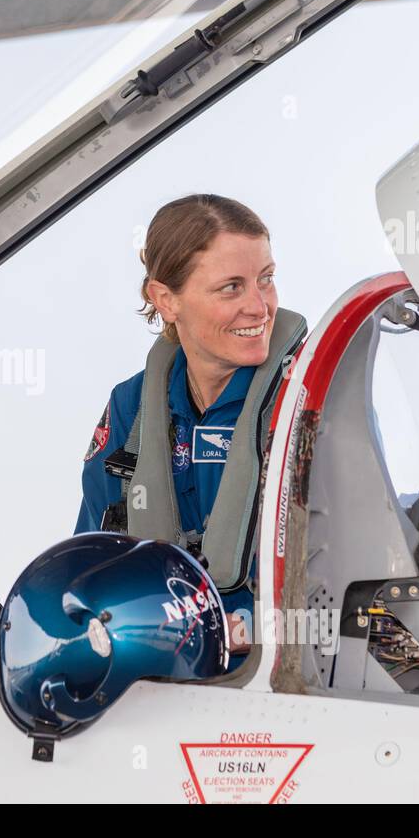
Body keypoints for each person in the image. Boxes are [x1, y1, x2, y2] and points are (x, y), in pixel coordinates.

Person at [74, 193, 304, 660]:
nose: (260, 307)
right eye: (231, 288)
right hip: (159, 675)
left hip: (276, 677)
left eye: (266, 280)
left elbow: (353, 579)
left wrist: (253, 628)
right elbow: (86, 566)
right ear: (165, 299)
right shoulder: (132, 408)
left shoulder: (309, 402)